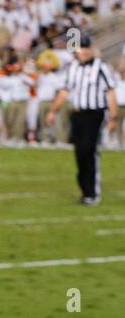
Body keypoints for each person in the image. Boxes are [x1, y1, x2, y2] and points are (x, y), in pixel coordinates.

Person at [46, 35, 119, 205]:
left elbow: (110, 91)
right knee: (79, 153)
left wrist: (113, 116)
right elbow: (65, 91)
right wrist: (52, 111)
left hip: (94, 114)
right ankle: (85, 191)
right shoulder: (73, 68)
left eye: (87, 48)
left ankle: (93, 192)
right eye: (81, 48)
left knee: (89, 150)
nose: (84, 51)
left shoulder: (101, 67)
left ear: (91, 49)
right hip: (78, 114)